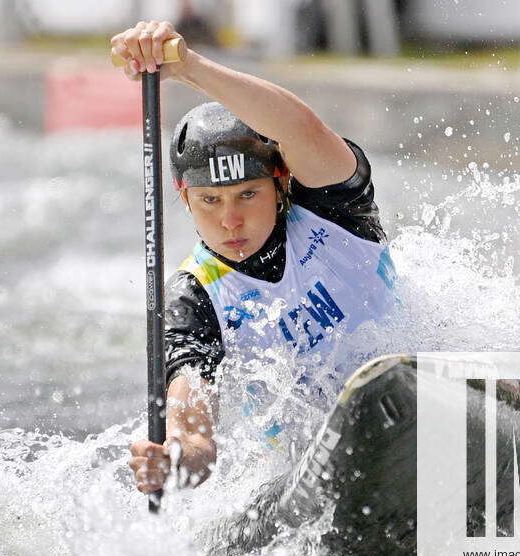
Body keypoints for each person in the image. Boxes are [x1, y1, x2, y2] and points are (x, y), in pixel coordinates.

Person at [111, 20, 396, 497]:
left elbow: (299, 128)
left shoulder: (334, 208)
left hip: (403, 393)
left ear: (280, 181)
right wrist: (175, 459)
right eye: (210, 201)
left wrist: (188, 67)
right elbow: (196, 432)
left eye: (247, 194)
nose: (230, 221)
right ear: (184, 199)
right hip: (306, 466)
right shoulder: (193, 297)